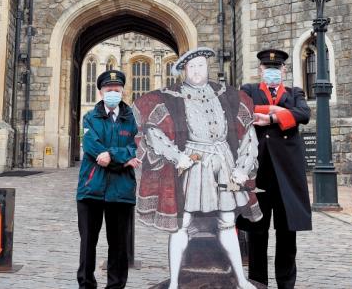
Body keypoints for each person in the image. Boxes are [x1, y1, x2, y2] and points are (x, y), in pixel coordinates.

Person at [134, 46, 260, 289]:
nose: (197, 71)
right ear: (183, 71)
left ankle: (241, 279)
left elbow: (248, 134)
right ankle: (174, 282)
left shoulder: (229, 95)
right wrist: (175, 156)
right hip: (193, 162)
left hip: (223, 159)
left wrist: (243, 167)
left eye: (201, 65)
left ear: (208, 67)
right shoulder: (170, 96)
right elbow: (152, 129)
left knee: (226, 220)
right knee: (183, 221)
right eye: (191, 67)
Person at [238, 49, 312, 289]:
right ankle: (259, 282)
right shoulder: (249, 90)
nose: (272, 72)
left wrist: (271, 118)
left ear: (284, 70)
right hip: (259, 173)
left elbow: (304, 113)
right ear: (260, 70)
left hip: (287, 174)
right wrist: (279, 112)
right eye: (267, 69)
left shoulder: (294, 93)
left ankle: (286, 283)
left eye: (276, 69)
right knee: (257, 233)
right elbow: (241, 109)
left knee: (287, 232)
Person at [77, 69, 140, 289]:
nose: (113, 92)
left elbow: (136, 147)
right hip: (90, 188)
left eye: (116, 89)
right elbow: (91, 145)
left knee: (119, 245)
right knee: (88, 244)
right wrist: (122, 159)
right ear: (101, 92)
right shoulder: (89, 117)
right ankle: (86, 284)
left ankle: (115, 286)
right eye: (108, 89)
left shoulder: (132, 118)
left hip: (121, 190)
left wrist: (111, 155)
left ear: (122, 90)